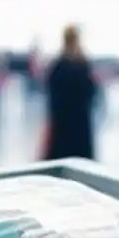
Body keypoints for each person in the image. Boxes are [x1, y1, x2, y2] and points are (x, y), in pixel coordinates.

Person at [43, 26, 97, 161]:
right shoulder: (83, 64)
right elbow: (90, 90)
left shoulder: (59, 65)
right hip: (81, 120)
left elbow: (52, 92)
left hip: (62, 120)